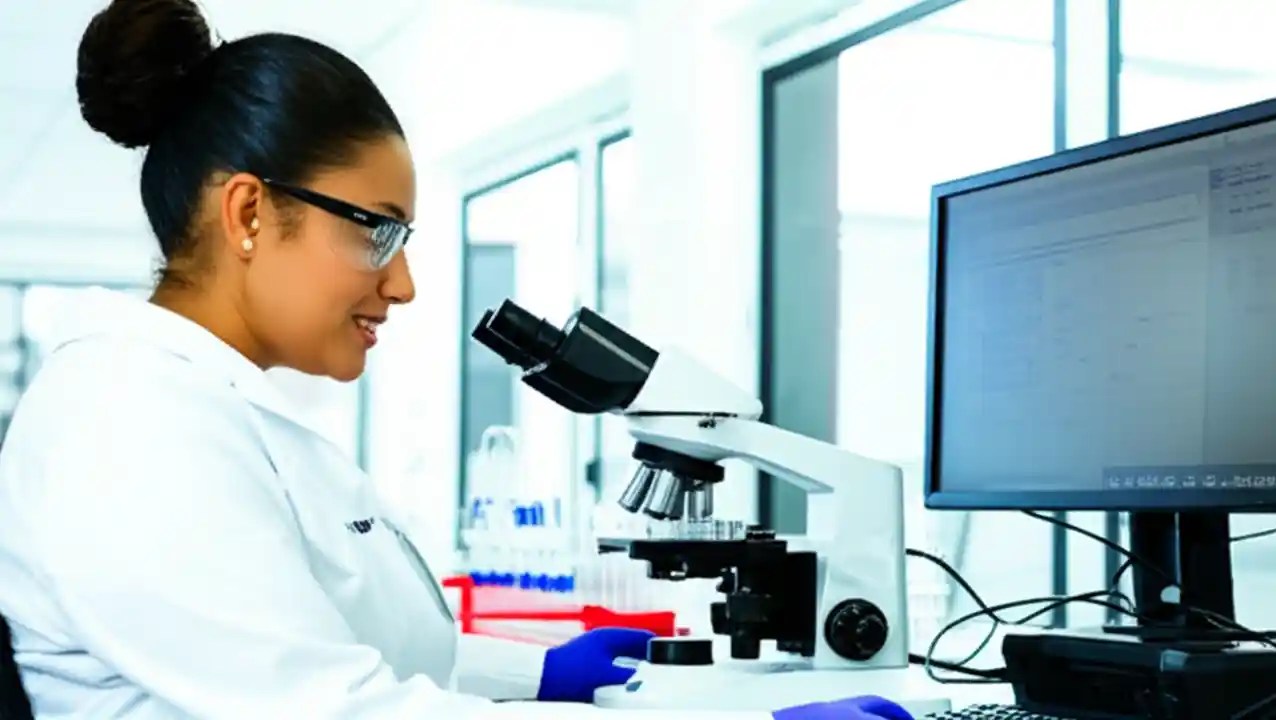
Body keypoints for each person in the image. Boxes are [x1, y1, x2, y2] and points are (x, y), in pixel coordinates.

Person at [0, 1, 918, 718]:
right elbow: (334, 712)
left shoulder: (201, 404)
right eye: (378, 233)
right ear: (248, 213)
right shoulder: (129, 424)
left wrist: (539, 671)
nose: (402, 285)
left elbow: (335, 650)